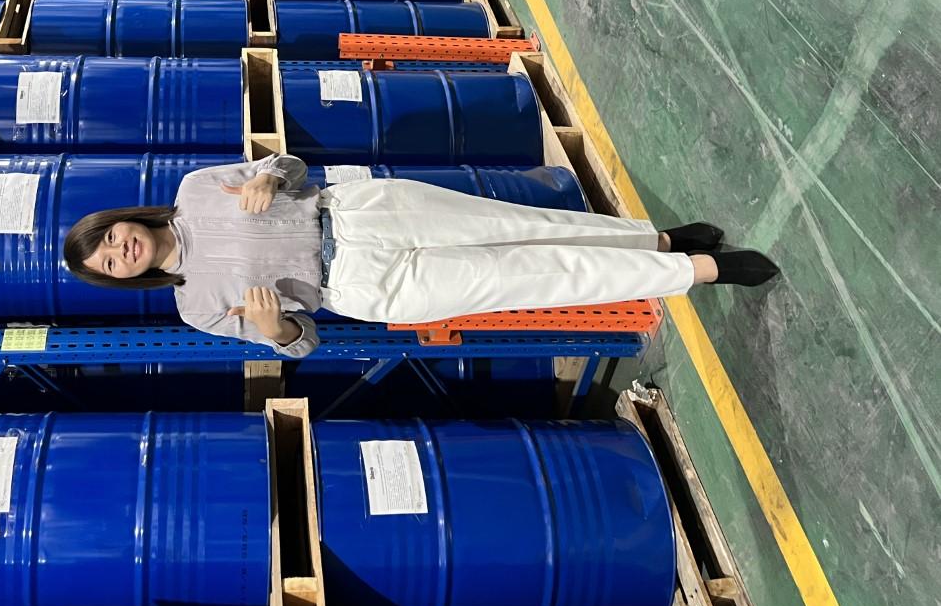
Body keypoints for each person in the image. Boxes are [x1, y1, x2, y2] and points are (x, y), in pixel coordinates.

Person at [63, 154, 779, 358]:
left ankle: (657, 241)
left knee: (521, 226)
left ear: (120, 219)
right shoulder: (196, 308)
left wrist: (267, 178)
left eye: (109, 239)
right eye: (110, 264)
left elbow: (293, 166)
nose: (120, 251)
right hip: (362, 284)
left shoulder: (195, 188)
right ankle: (699, 271)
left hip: (357, 212)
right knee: (529, 276)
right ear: (123, 279)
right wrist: (276, 329)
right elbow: (303, 344)